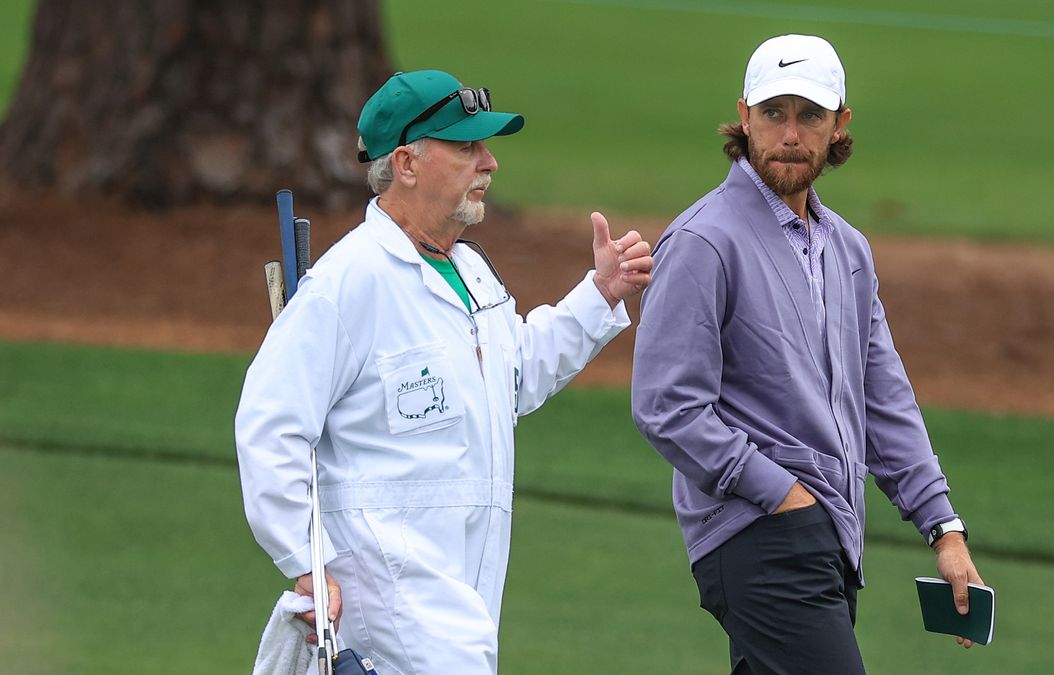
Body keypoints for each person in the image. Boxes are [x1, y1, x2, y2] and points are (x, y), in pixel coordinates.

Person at [235, 69, 652, 674]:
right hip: (389, 592)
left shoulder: (471, 271)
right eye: (466, 148)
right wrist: (305, 560)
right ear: (406, 163)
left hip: (465, 585)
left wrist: (600, 294)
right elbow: (269, 426)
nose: (489, 163)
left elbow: (511, 380)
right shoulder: (347, 282)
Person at [631, 35, 983, 673]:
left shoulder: (848, 250)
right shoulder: (704, 241)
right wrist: (782, 493)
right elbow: (666, 407)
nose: (789, 134)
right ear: (744, 117)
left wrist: (944, 528)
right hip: (758, 534)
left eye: (809, 116)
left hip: (828, 537)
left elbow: (883, 398)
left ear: (839, 125)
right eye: (773, 114)